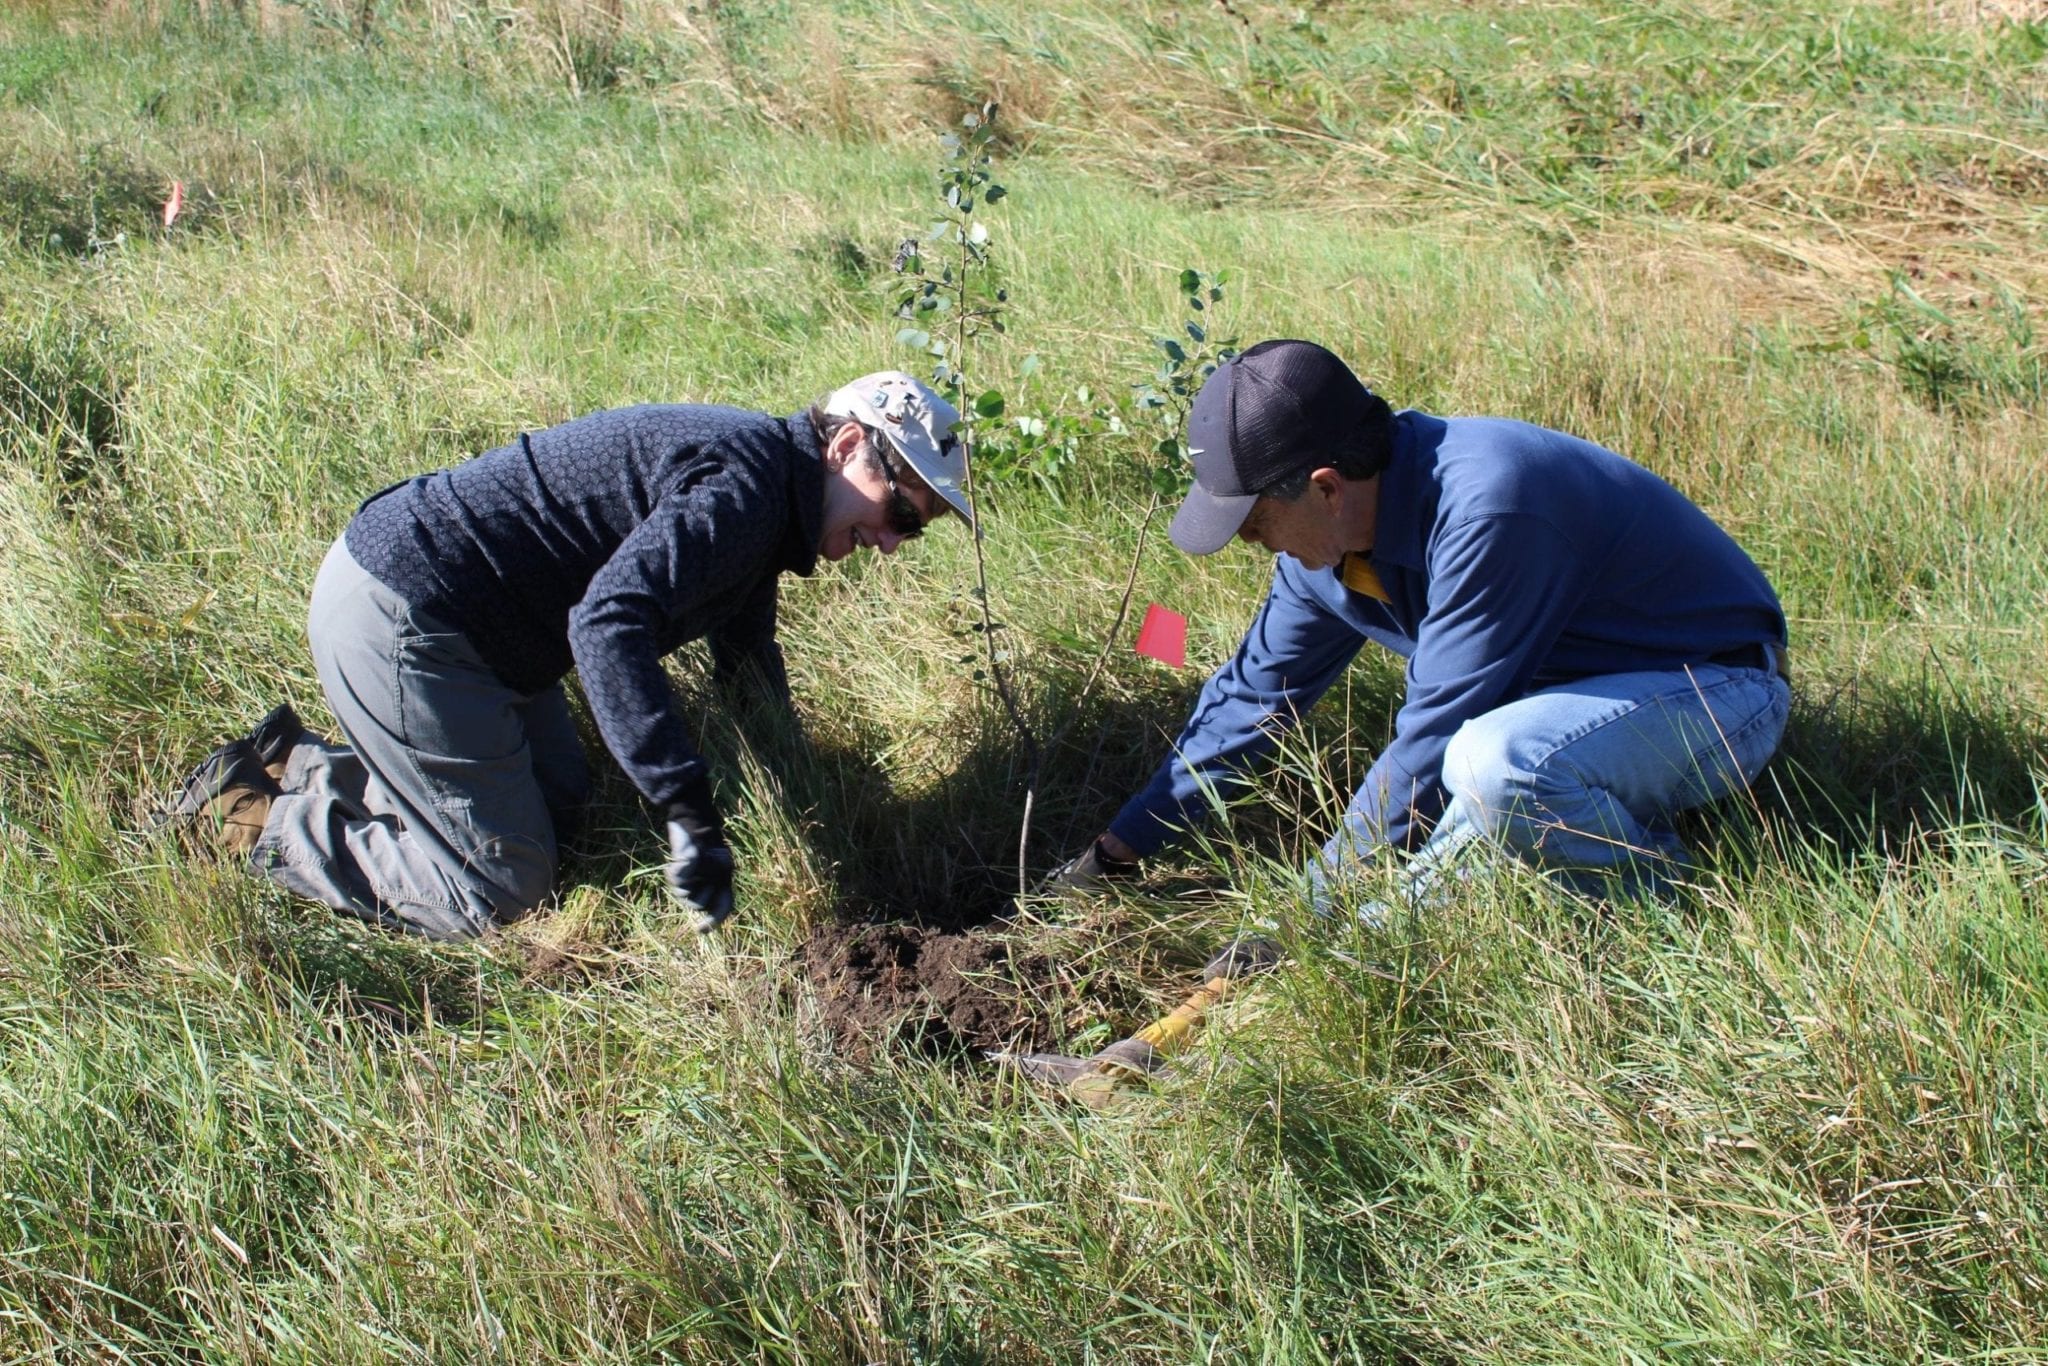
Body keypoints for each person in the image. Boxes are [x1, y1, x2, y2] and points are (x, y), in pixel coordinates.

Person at [157, 372, 970, 939]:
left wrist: (801, 783)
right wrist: (688, 812)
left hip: (474, 633)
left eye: (915, 528)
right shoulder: (748, 493)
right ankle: (245, 815)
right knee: (498, 886)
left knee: (566, 804)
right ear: (845, 446)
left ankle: (297, 763)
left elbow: (746, 655)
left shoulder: (770, 497)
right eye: (900, 507)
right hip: (407, 615)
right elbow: (607, 626)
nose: (894, 543)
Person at [1049, 339, 1791, 916]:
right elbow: (1253, 702)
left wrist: (1312, 907)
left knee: (1493, 767)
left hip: (1715, 691)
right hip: (1557, 718)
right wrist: (1119, 850)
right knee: (1387, 922)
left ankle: (1662, 897)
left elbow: (1437, 733)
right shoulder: (1323, 551)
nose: (1249, 542)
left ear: (1326, 488)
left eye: (1251, 520)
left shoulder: (1491, 508)